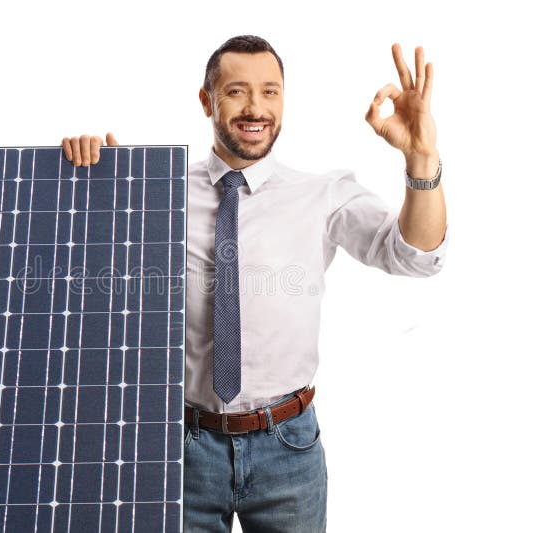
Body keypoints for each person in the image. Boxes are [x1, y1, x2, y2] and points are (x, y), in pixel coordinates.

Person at [61, 35, 447, 533]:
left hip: (288, 446)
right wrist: (85, 184)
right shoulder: (156, 191)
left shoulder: (322, 194)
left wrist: (422, 158)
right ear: (207, 100)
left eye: (270, 91)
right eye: (237, 91)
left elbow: (416, 255)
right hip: (179, 448)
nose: (255, 108)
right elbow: (85, 278)